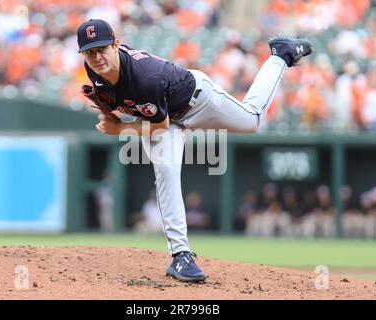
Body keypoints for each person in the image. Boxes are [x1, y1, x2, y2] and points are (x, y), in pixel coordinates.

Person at [76, 19, 313, 282]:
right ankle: (181, 256)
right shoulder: (94, 69)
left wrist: (120, 129)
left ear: (116, 45)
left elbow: (159, 127)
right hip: (162, 113)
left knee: (253, 121)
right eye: (89, 52)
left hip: (197, 101)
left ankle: (280, 56)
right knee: (165, 169)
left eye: (102, 49)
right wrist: (111, 111)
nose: (96, 57)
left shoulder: (146, 78)